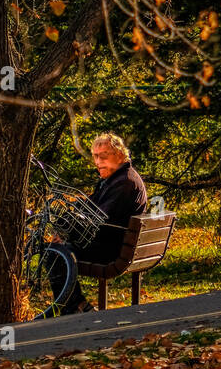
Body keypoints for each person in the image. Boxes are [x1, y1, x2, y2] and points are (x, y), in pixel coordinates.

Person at [48, 133, 148, 314]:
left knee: (56, 254)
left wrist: (66, 235)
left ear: (119, 155)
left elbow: (98, 220)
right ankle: (76, 305)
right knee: (57, 250)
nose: (98, 161)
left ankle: (74, 308)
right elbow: (91, 206)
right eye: (95, 156)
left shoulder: (124, 183)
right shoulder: (116, 178)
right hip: (116, 244)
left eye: (104, 156)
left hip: (111, 250)